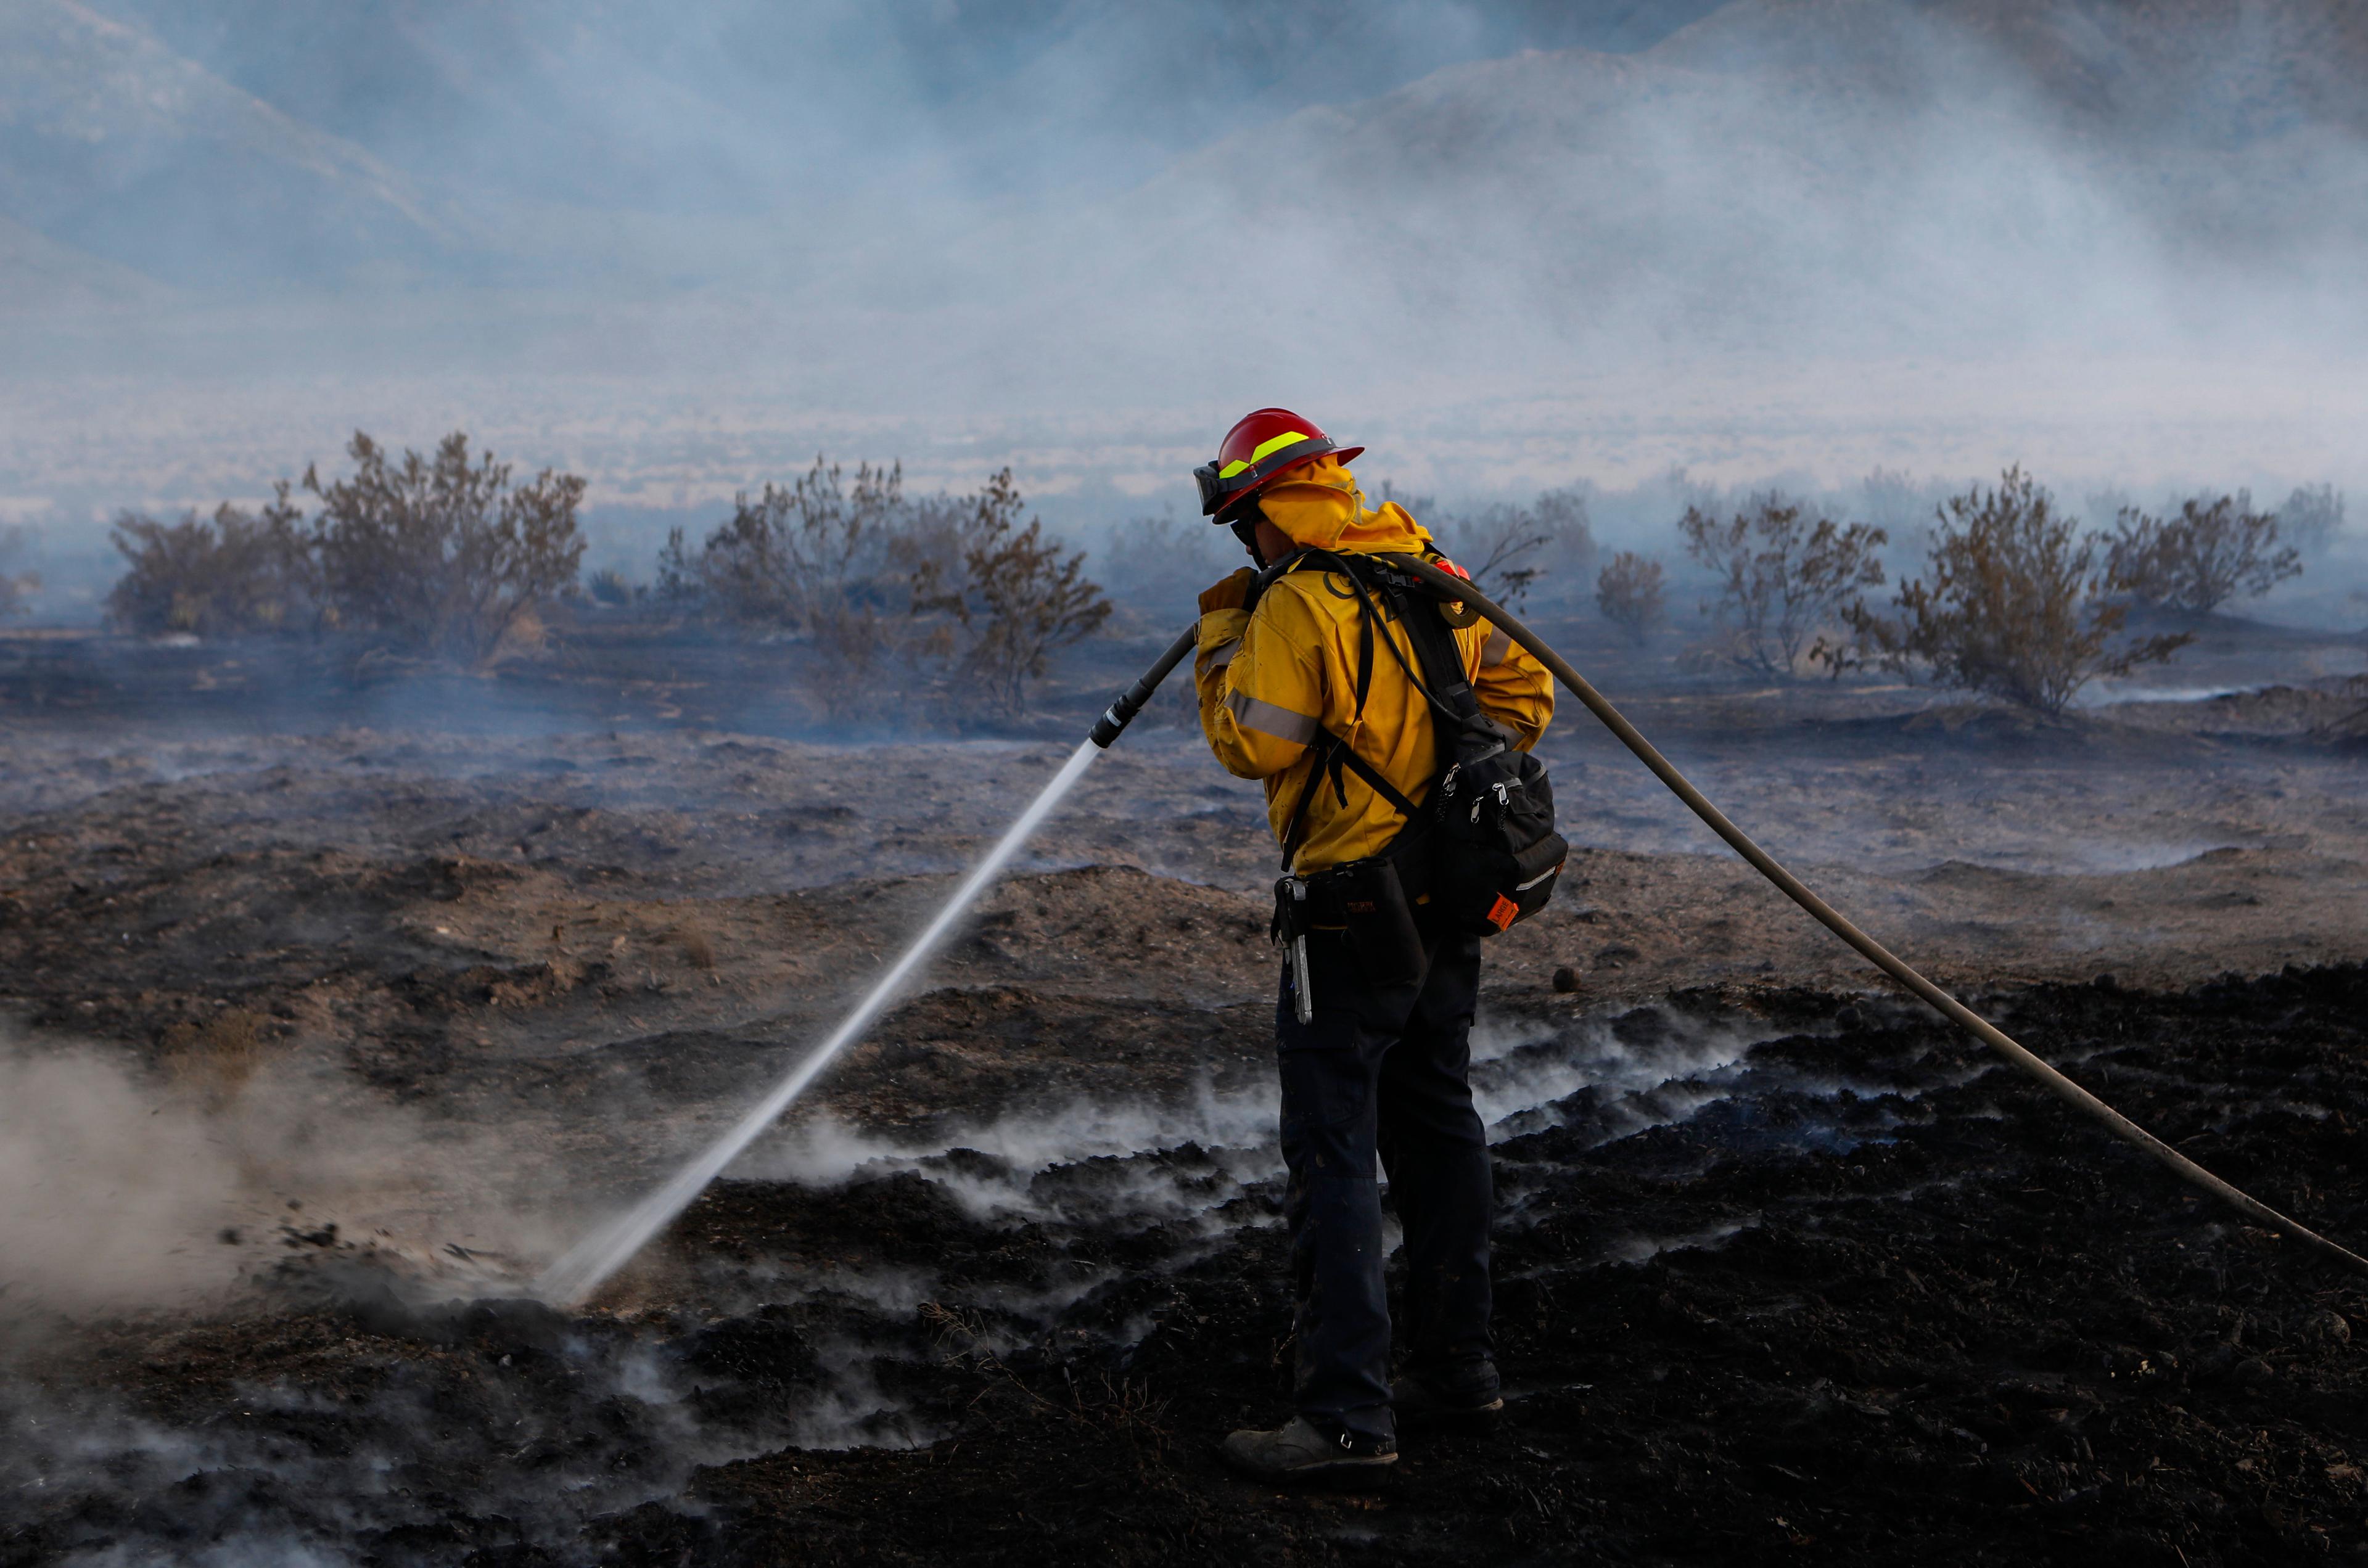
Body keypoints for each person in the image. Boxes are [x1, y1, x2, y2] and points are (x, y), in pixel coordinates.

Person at [1191, 408, 1555, 1480]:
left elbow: (1245, 742)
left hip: (1350, 914)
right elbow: (1525, 697)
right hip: (1447, 898)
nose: (1243, 547)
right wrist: (1437, 771)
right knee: (1439, 1123)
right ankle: (1458, 1371)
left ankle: (1347, 1417)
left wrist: (1225, 630)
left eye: (1242, 527)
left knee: (1335, 1150)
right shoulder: (1424, 570)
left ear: (1267, 510)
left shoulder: (1298, 604)